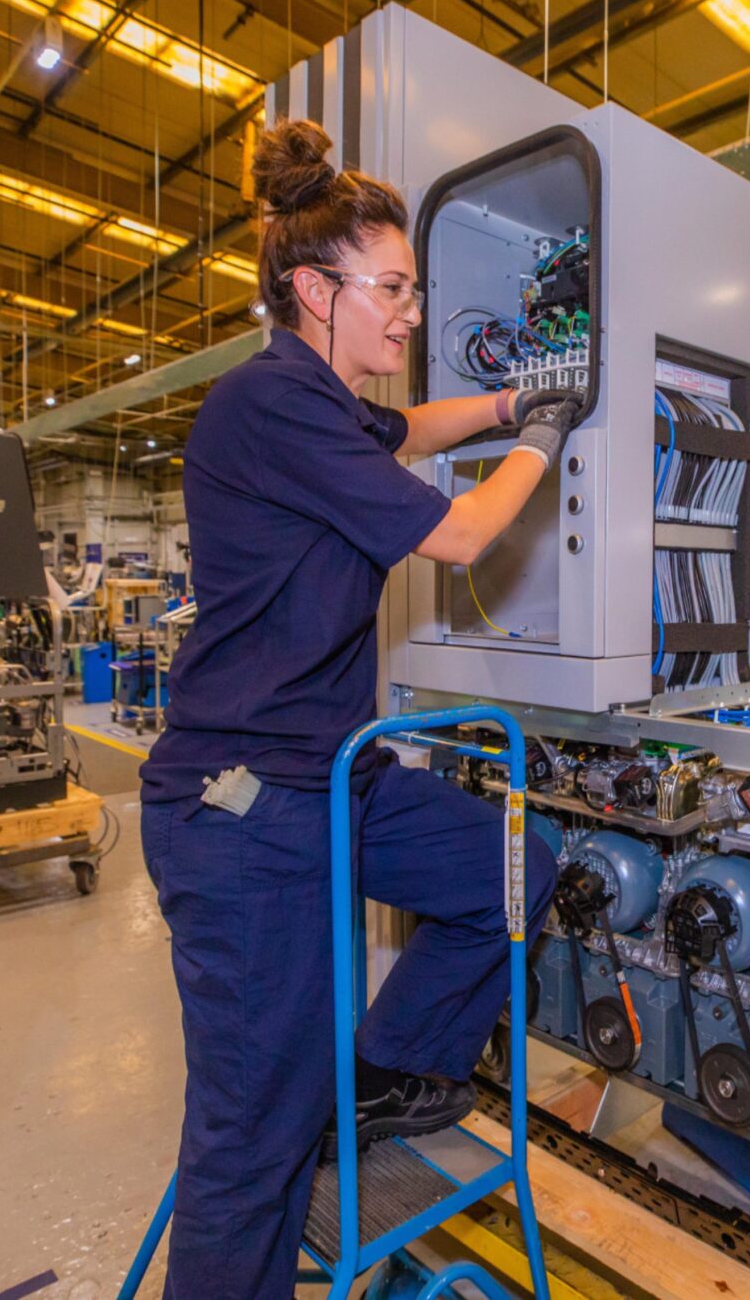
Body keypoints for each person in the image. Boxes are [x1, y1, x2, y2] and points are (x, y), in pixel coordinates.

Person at [138, 117, 573, 1300]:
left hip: (334, 777)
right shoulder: (267, 402)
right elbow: (460, 532)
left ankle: (384, 1075)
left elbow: (410, 429)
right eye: (392, 289)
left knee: (509, 870)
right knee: (253, 1136)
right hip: (240, 809)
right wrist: (545, 435)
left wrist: (499, 407)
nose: (413, 314)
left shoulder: (323, 404)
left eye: (414, 290)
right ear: (311, 289)